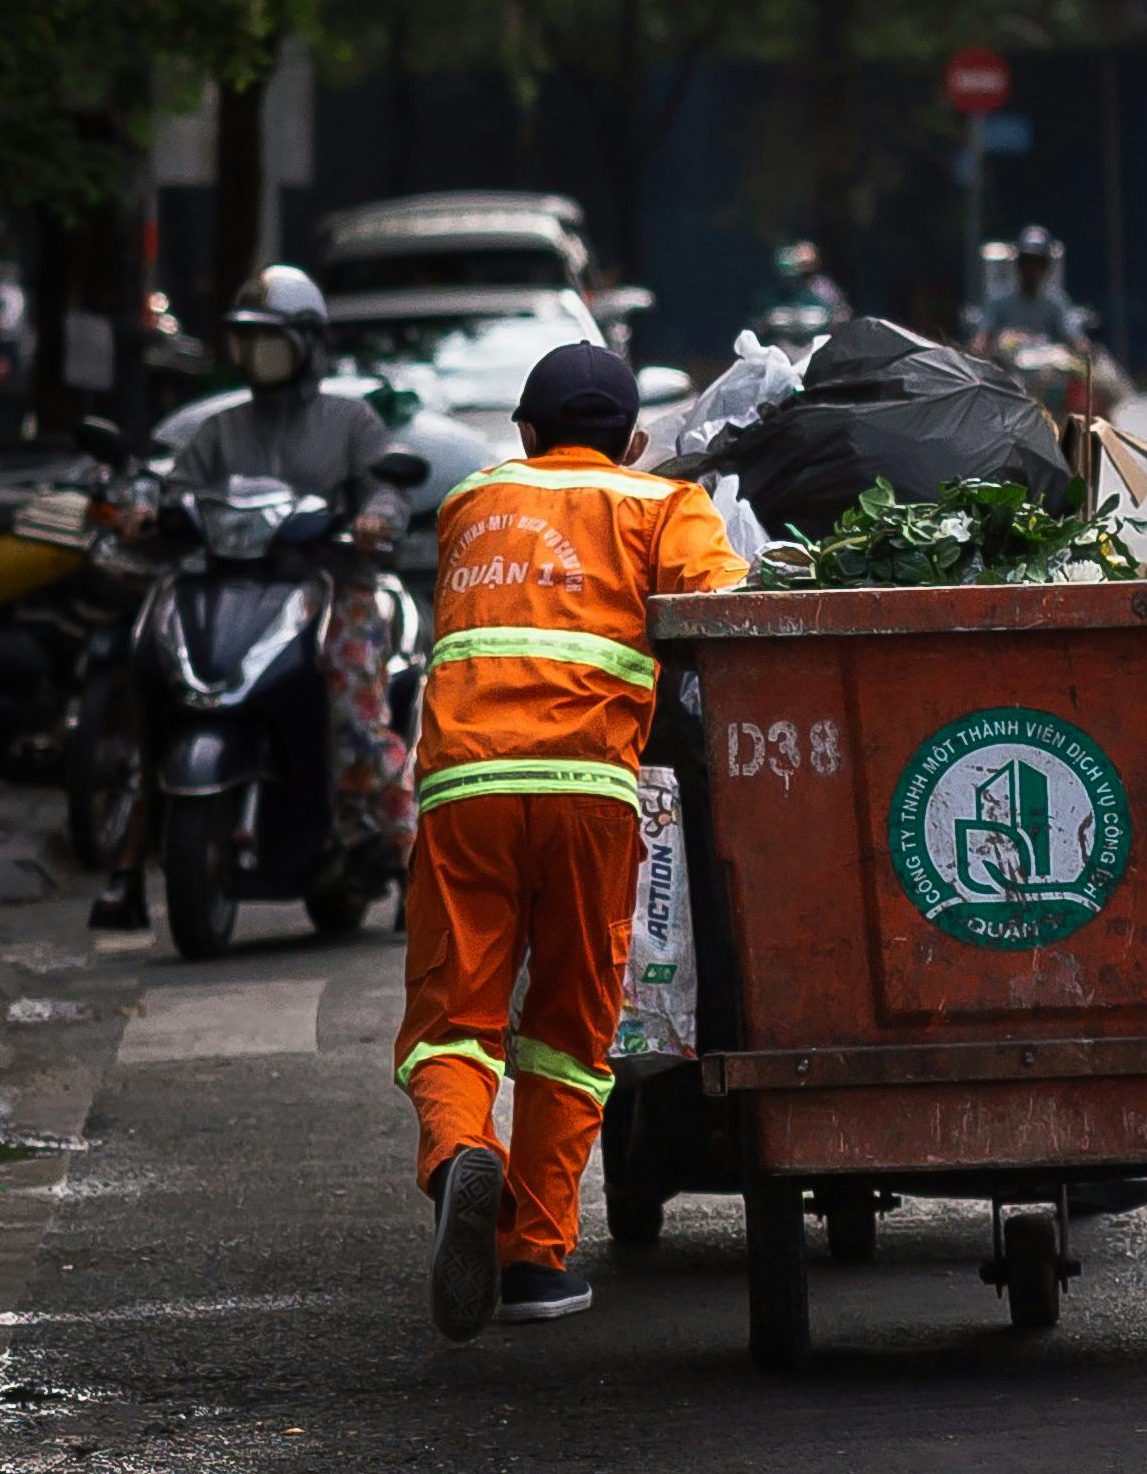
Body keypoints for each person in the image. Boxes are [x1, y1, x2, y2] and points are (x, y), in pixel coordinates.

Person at [399, 338, 747, 1339]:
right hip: (591, 790)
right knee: (568, 1024)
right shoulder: (657, 501)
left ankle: (459, 1153)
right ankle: (537, 1259)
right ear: (634, 439)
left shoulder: (469, 502)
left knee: (452, 1015)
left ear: (523, 432)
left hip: (464, 782)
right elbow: (720, 612)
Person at [87, 264, 412, 932]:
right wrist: (147, 511)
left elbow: (386, 485)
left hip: (329, 585)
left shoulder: (349, 420)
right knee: (153, 683)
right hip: (229, 587)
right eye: (248, 340)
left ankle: (419, 860)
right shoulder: (220, 428)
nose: (258, 355)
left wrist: (378, 516)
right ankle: (126, 864)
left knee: (355, 720)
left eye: (273, 341)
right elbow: (172, 485)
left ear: (308, 344)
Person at [976, 226, 1084, 354]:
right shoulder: (998, 301)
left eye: (1038, 263)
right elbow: (980, 342)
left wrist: (1080, 349)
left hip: (1045, 370)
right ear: (1018, 264)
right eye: (1026, 261)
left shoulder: (1056, 303)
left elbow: (1074, 341)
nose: (1032, 269)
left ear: (1046, 266)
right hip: (1005, 369)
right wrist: (1000, 342)